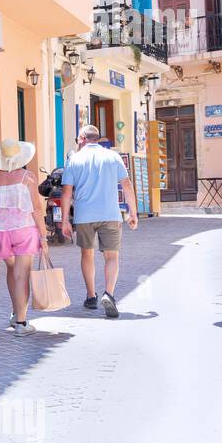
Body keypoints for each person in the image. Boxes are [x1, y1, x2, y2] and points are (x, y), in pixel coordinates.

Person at [60, 124, 138, 318]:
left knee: (87, 254)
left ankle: (91, 296)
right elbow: (127, 185)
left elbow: (66, 192)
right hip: (110, 214)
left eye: (78, 139)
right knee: (112, 256)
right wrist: (133, 213)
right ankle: (109, 294)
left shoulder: (74, 159)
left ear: (82, 138)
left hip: (84, 215)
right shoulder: (113, 157)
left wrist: (64, 221)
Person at [0, 138, 48, 336]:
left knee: (12, 270)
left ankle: (15, 312)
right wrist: (44, 237)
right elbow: (37, 208)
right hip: (23, 228)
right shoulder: (27, 176)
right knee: (22, 274)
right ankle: (21, 322)